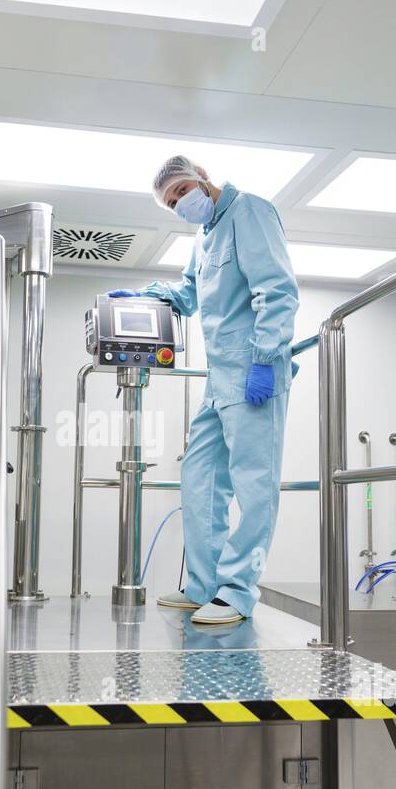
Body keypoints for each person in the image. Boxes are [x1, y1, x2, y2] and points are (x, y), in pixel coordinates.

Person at [106, 156, 298, 624]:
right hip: (220, 379)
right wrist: (150, 295)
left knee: (255, 484)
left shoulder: (249, 211)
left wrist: (266, 360)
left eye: (181, 192)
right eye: (171, 204)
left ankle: (236, 591)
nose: (180, 205)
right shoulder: (204, 236)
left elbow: (277, 290)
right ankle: (204, 585)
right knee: (199, 478)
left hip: (256, 373)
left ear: (201, 177)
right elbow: (190, 294)